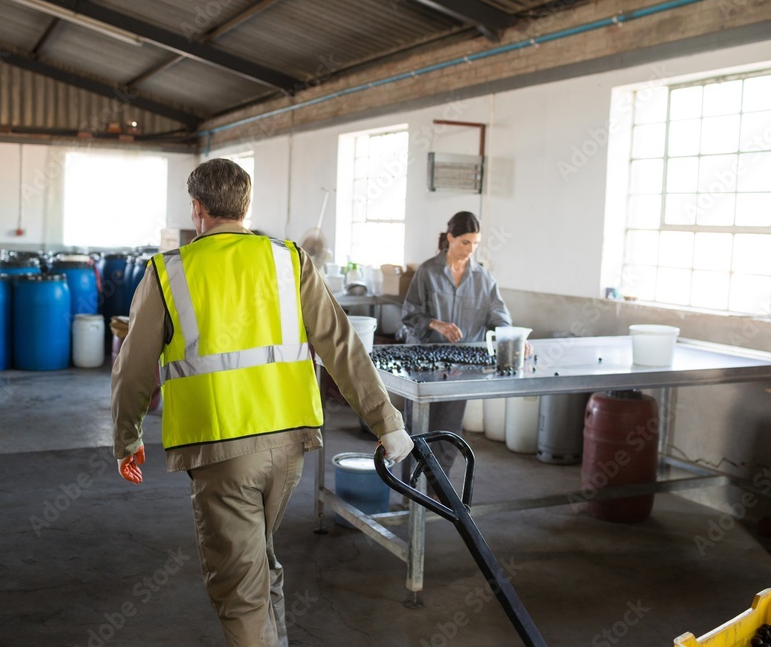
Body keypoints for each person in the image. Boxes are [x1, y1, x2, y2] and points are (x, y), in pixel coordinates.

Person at [111, 158, 412, 647]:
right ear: (246, 207)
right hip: (288, 449)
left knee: (239, 588)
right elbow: (342, 345)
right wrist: (386, 421)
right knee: (259, 561)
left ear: (197, 208)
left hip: (221, 451)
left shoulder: (168, 271)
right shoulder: (289, 259)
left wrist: (127, 439)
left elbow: (132, 370)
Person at [400, 211, 515, 486]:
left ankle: (440, 493)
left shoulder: (483, 279)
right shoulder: (427, 272)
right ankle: (410, 492)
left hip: (460, 370)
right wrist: (434, 324)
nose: (470, 249)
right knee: (416, 432)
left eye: (475, 244)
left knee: (448, 434)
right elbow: (409, 316)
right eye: (465, 242)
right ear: (450, 238)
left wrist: (512, 339)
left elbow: (500, 318)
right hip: (423, 365)